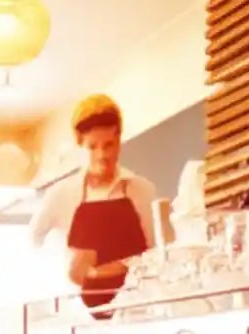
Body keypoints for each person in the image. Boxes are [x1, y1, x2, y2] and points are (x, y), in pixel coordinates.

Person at [28, 94, 157, 314]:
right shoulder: (60, 195)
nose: (102, 155)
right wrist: (67, 267)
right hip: (79, 318)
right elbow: (32, 244)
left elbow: (160, 253)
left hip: (136, 312)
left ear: (119, 141)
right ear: (80, 145)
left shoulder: (142, 190)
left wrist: (117, 269)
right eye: (92, 147)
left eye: (109, 145)